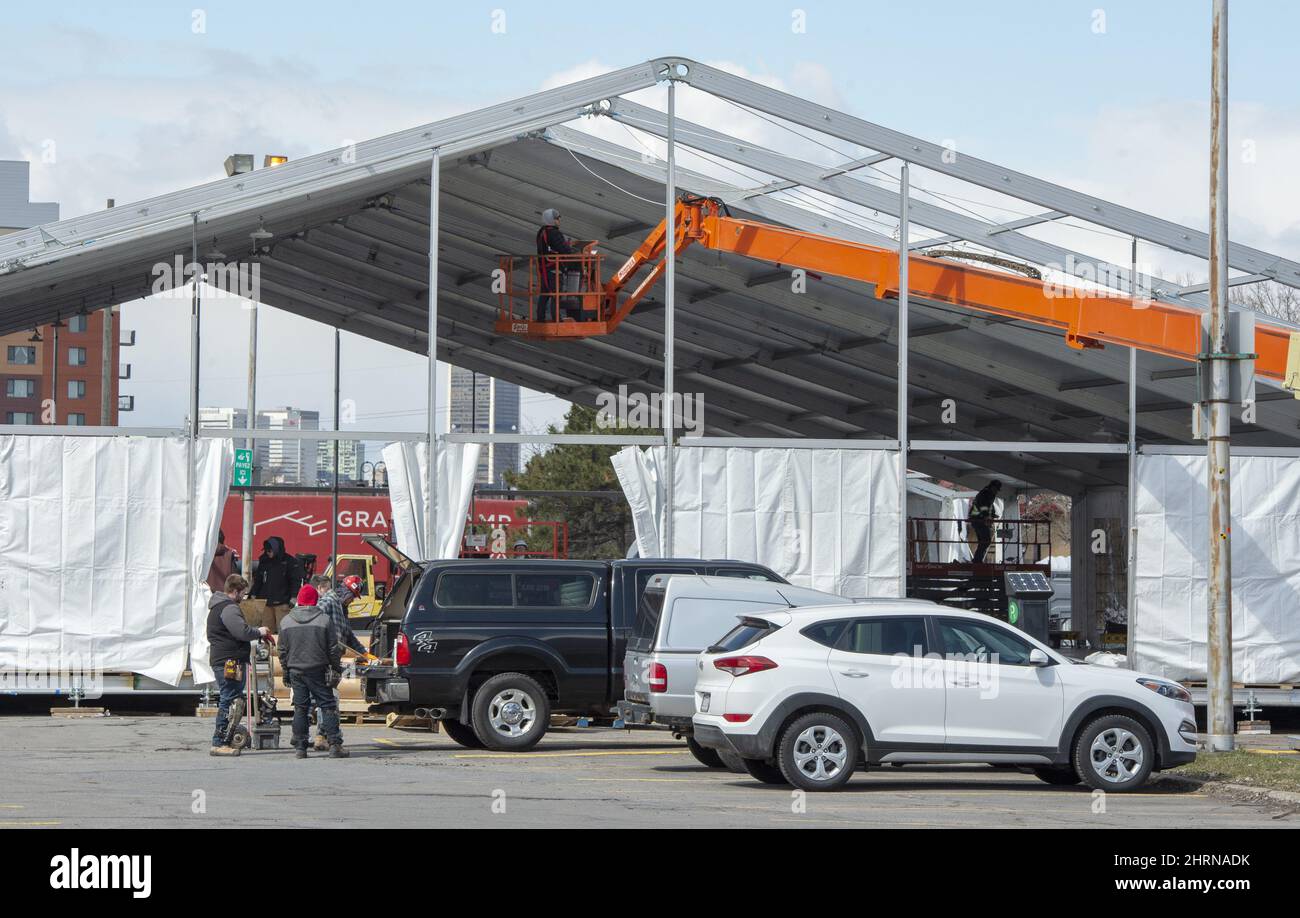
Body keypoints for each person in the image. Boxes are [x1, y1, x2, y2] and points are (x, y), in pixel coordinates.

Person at [277, 584, 348, 759]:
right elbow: (333, 648)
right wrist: (336, 668)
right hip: (318, 670)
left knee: (301, 708)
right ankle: (334, 745)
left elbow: (282, 651)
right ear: (315, 600)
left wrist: (286, 672)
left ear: (299, 601)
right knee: (327, 706)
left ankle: (300, 748)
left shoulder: (286, 622)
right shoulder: (324, 620)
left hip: (296, 671)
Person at [206, 574, 272, 756]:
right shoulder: (228, 608)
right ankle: (219, 742)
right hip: (230, 661)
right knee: (230, 701)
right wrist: (259, 631)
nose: (244, 597)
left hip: (224, 659)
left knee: (231, 699)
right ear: (234, 591)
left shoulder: (218, 607)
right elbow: (241, 631)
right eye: (243, 593)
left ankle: (222, 740)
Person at [309, 574, 375, 751]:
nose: (352, 601)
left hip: (333, 660)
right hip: (323, 659)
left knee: (328, 698)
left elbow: (348, 636)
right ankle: (323, 737)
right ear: (346, 592)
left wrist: (365, 653)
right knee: (327, 698)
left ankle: (321, 736)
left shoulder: (341, 609)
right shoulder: (329, 601)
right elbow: (314, 618)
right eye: (352, 597)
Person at [251, 535, 302, 633]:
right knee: (267, 631)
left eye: (270, 550)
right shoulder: (264, 560)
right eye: (266, 550)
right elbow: (258, 579)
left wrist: (294, 597)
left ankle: (280, 648)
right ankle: (267, 648)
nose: (267, 553)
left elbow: (295, 581)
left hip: (282, 603)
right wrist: (253, 593)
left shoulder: (290, 562)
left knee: (283, 630)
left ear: (277, 549)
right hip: (266, 602)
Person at [536, 207, 578, 321]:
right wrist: (573, 253)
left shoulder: (541, 232)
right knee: (556, 295)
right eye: (557, 218)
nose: (559, 221)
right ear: (552, 220)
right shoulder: (553, 233)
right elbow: (564, 249)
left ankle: (540, 318)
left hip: (545, 268)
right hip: (554, 269)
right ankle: (556, 319)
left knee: (544, 294)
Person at [968, 479, 1003, 564]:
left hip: (978, 519)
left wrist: (992, 515)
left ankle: (977, 560)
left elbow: (989, 506)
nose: (996, 492)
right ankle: (977, 560)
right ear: (992, 487)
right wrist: (987, 516)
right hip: (978, 519)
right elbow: (982, 506)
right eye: (996, 489)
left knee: (983, 541)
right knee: (986, 540)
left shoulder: (989, 493)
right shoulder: (985, 494)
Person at [205, 529, 240, 594]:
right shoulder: (229, 554)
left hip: (205, 595)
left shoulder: (202, 554)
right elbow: (235, 579)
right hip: (223, 597)